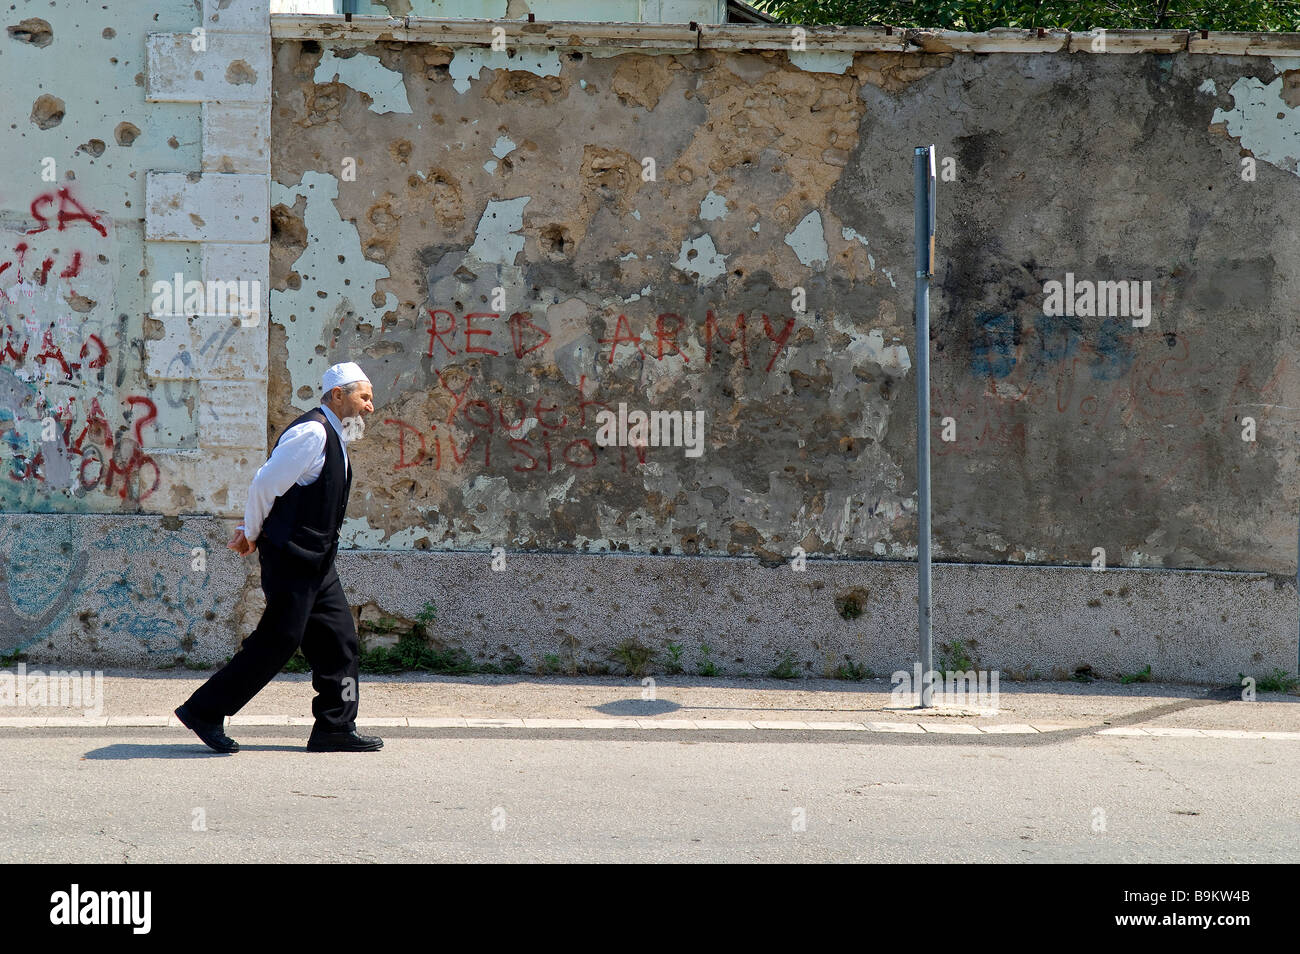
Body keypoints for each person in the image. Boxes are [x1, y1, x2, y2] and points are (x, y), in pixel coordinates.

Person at [175, 361, 382, 753]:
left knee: (340, 640)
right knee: (278, 641)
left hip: (318, 562)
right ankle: (204, 709)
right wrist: (250, 531)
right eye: (364, 397)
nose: (370, 407)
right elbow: (264, 483)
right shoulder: (312, 432)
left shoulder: (334, 435)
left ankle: (334, 727)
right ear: (338, 395)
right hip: (292, 558)